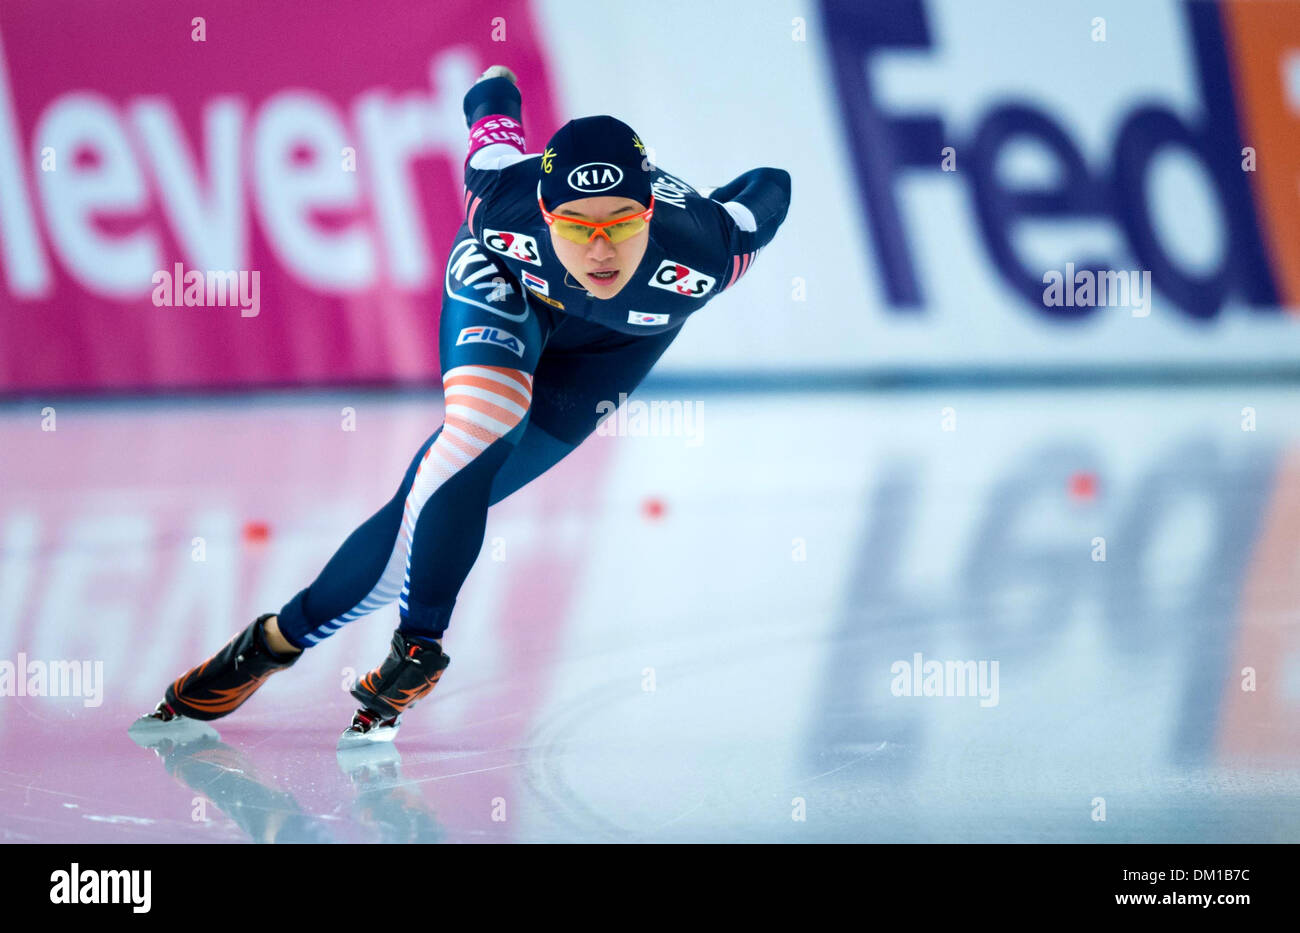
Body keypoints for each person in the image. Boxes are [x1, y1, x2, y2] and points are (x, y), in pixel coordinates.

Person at [134, 65, 791, 747]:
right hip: (506, 286)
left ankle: (270, 642)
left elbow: (772, 186)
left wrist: (721, 206)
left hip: (606, 355)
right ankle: (421, 645)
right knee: (478, 431)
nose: (600, 250)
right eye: (577, 226)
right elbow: (491, 102)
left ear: (650, 213)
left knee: (416, 522)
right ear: (543, 213)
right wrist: (497, 80)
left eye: (621, 225)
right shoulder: (500, 194)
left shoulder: (710, 250)